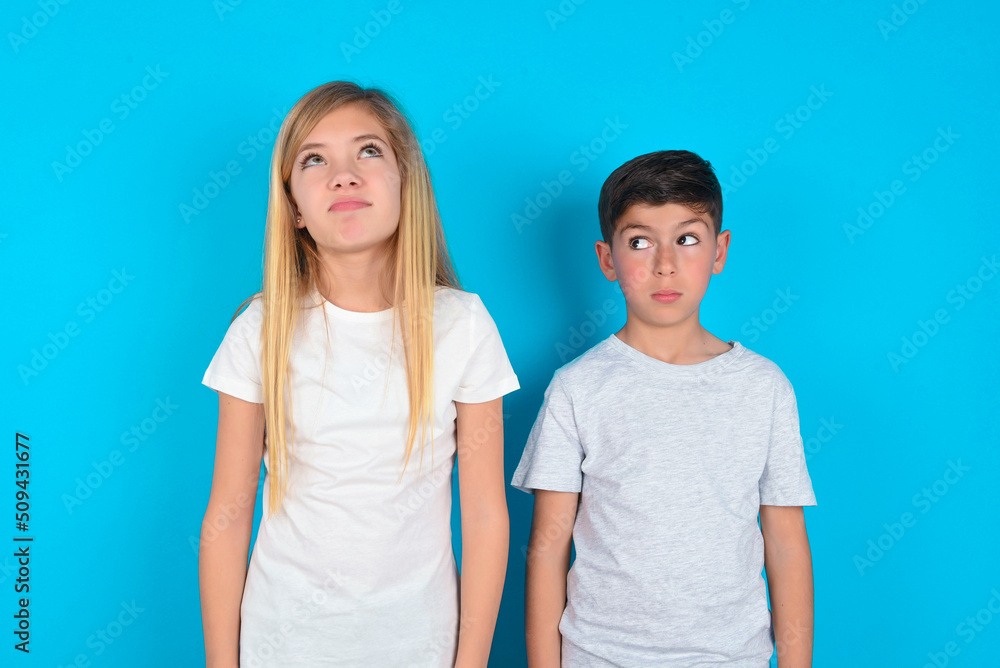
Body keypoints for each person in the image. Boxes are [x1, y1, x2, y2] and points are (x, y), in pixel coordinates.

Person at [198, 81, 519, 668]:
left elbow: (485, 515)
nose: (343, 175)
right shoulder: (261, 328)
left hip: (419, 644)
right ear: (294, 204)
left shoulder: (462, 324)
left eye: (368, 152)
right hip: (283, 643)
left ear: (406, 184)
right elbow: (227, 514)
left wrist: (470, 661)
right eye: (314, 159)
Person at [511, 150, 817, 667]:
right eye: (639, 242)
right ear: (607, 259)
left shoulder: (764, 388)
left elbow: (786, 545)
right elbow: (547, 549)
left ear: (719, 251)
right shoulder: (577, 388)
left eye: (687, 239)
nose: (665, 263)